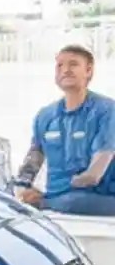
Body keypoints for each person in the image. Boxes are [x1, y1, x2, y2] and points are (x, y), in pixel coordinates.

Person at [15, 44, 115, 215]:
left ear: (89, 71)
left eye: (73, 64)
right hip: (56, 203)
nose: (65, 70)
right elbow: (32, 161)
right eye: (60, 65)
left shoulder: (106, 111)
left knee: (74, 201)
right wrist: (21, 189)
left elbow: (92, 176)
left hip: (97, 199)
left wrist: (50, 198)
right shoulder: (45, 116)